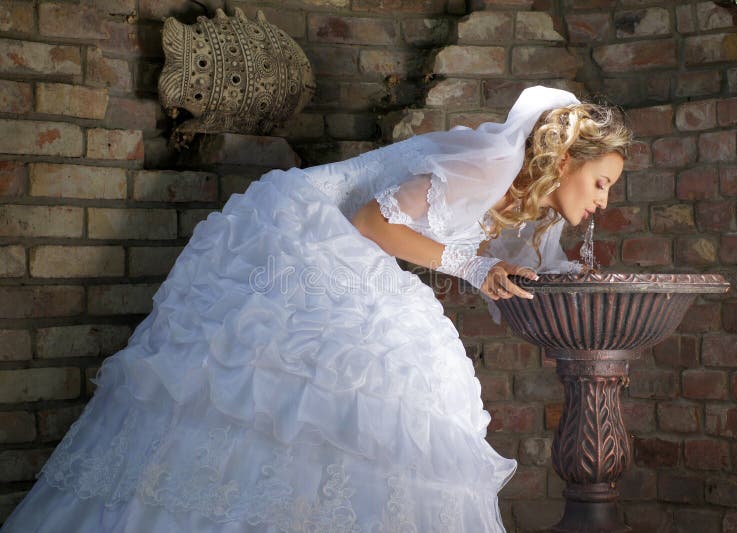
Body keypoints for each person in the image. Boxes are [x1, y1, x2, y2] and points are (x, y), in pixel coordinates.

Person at [1, 85, 631, 532]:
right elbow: (370, 220)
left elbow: (518, 271)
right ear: (565, 161)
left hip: (350, 247)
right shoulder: (482, 168)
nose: (603, 201)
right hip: (304, 234)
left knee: (392, 386)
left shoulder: (529, 205)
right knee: (324, 386)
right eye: (600, 182)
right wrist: (471, 267)